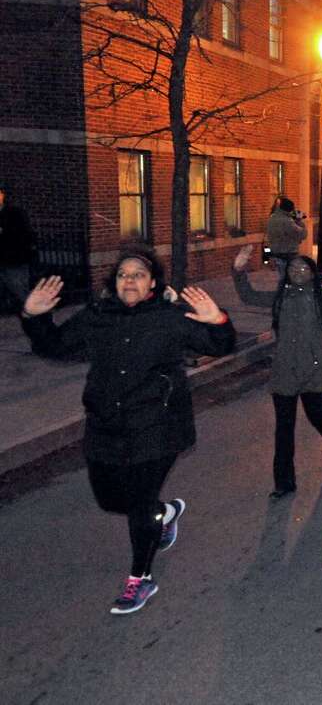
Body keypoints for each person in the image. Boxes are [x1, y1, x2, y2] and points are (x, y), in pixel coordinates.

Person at [21, 247, 235, 614]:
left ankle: (141, 578)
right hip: (106, 425)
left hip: (159, 425)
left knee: (138, 503)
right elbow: (55, 346)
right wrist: (33, 317)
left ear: (152, 282)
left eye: (138, 274)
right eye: (123, 274)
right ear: (114, 283)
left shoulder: (171, 317)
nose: (130, 280)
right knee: (109, 499)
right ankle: (163, 513)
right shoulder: (97, 316)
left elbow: (220, 345)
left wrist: (217, 321)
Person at [232, 244, 322, 497]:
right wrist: (239, 269)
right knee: (284, 428)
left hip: (313, 368)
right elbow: (249, 296)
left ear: (313, 272)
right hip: (284, 370)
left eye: (304, 267)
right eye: (294, 268)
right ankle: (284, 483)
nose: (298, 271)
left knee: (316, 414)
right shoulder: (281, 296)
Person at [0, 183, 35, 311]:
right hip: (4, 260)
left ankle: (37, 319)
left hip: (14, 260)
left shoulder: (14, 213)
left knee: (21, 291)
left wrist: (4, 232)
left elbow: (24, 234)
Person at [265, 198, 308, 276]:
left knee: (282, 277)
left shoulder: (272, 218)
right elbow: (302, 235)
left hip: (276, 254)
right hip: (288, 254)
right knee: (290, 278)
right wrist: (299, 221)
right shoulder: (287, 221)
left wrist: (267, 258)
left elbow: (267, 239)